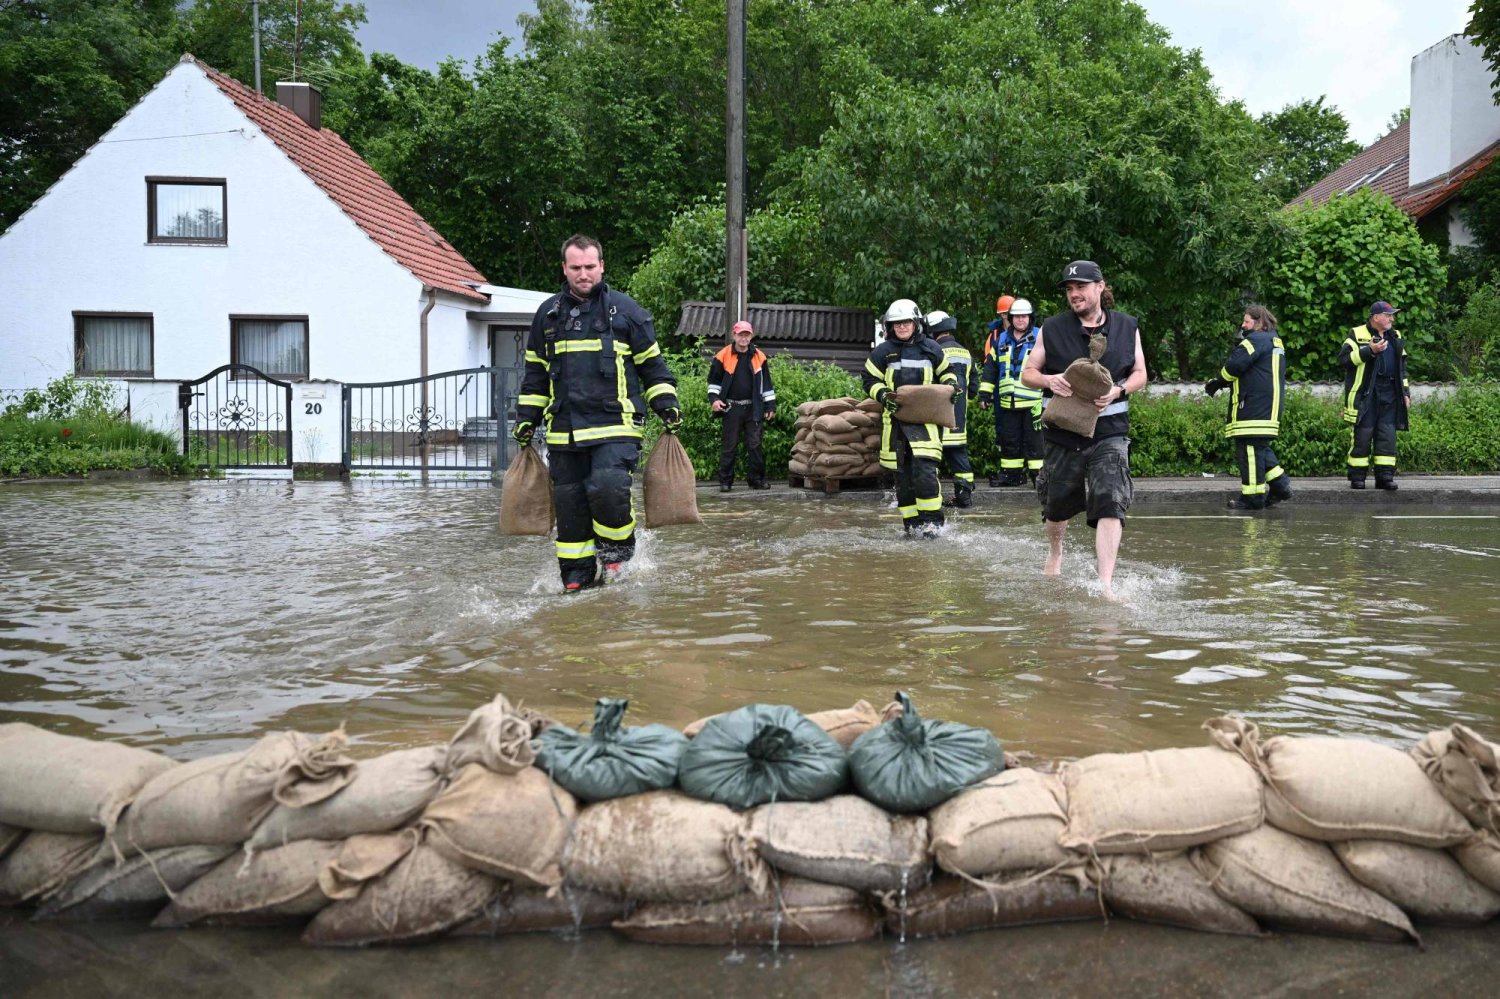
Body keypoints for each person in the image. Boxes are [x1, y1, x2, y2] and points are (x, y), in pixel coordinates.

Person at [513, 234, 681, 592]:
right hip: (564, 432)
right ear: (564, 269)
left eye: (590, 267)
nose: (584, 274)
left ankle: (618, 558)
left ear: (602, 266)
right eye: (576, 268)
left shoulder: (627, 312)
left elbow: (654, 367)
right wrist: (527, 416)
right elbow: (535, 376)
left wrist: (666, 403)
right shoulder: (547, 315)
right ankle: (576, 579)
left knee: (608, 488)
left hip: (615, 425)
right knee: (570, 506)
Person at [1020, 260, 1147, 600]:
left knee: (1110, 498)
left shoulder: (1127, 326)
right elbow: (1027, 373)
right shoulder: (1053, 327)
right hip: (1064, 433)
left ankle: (1105, 582)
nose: (1073, 293)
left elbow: (1140, 373)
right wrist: (1048, 379)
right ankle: (1055, 552)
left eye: (1080, 287)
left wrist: (1119, 391)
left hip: (1110, 432)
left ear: (1100, 287)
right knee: (1057, 505)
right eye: (1069, 289)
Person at [863, 299, 960, 536]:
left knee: (925, 474)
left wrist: (951, 388)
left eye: (906, 322)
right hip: (896, 425)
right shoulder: (882, 352)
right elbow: (869, 380)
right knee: (903, 481)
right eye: (897, 323)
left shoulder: (931, 348)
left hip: (926, 424)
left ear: (916, 323)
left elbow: (948, 373)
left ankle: (934, 526)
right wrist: (883, 394)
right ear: (890, 326)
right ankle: (912, 528)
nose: (902, 327)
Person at [1205, 305, 1292, 510]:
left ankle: (1252, 498)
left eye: (1246, 321)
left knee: (1249, 451)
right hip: (1267, 407)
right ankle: (1281, 486)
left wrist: (1217, 382)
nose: (1243, 325)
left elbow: (1234, 366)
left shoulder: (1255, 340)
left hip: (1253, 407)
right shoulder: (1273, 340)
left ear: (1259, 322)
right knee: (1259, 449)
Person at [1339, 301, 1410, 490]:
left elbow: (1401, 368)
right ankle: (1357, 477)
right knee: (1363, 435)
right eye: (1388, 315)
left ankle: (1385, 477)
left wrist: (1405, 393)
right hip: (1366, 394)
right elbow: (1344, 360)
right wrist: (1369, 351)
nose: (1392, 319)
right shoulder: (1357, 334)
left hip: (1390, 393)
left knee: (1387, 436)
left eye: (1392, 315)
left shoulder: (1395, 336)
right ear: (1376, 317)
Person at [979, 298, 1045, 487]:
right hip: (1008, 402)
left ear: (1030, 318)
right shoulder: (1001, 340)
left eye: (1024, 316)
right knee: (1009, 440)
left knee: (1035, 443)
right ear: (1010, 318)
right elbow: (990, 369)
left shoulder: (1040, 338)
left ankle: (1039, 477)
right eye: (1016, 317)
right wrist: (985, 395)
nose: (1020, 320)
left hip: (1033, 403)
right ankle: (1011, 476)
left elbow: (1050, 368)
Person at [708, 319, 777, 491]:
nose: (744, 338)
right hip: (731, 407)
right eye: (741, 334)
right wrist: (714, 400)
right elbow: (713, 381)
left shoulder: (759, 356)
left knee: (755, 445)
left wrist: (770, 406)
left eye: (747, 335)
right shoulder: (722, 355)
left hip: (753, 407)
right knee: (729, 446)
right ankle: (725, 482)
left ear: (751, 336)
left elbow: (767, 384)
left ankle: (756, 481)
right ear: (734, 335)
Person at [925, 310, 980, 507]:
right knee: (959, 456)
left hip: (936, 416)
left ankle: (932, 499)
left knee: (930, 458)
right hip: (958, 418)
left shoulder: (932, 351)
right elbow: (974, 388)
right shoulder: (965, 353)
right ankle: (964, 497)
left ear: (933, 330)